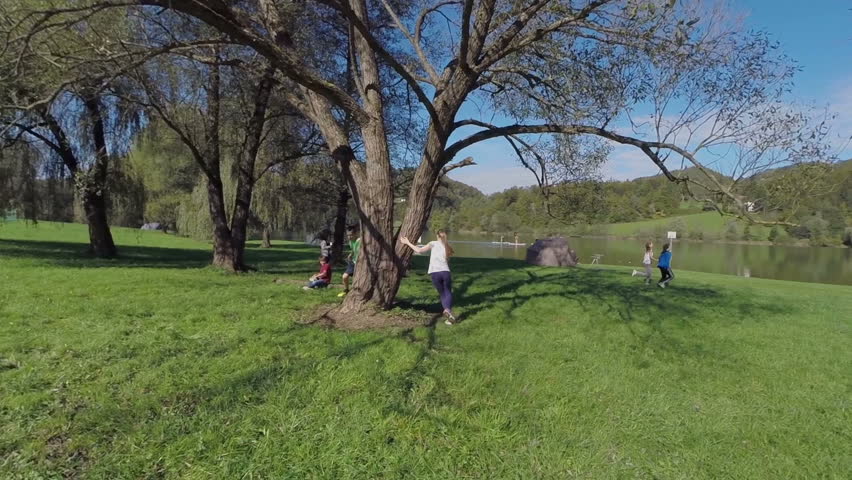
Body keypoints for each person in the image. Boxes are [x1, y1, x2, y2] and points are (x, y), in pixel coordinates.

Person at [400, 230, 457, 325]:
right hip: (446, 272)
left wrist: (407, 242)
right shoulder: (447, 246)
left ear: (437, 236)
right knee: (448, 292)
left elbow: (418, 250)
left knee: (442, 294)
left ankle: (448, 312)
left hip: (435, 272)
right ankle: (447, 311)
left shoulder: (433, 243)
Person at [338, 224, 361, 297]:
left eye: (351, 235)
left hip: (360, 263)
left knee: (357, 278)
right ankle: (346, 290)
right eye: (348, 235)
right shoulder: (351, 242)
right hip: (353, 262)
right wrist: (351, 254)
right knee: (344, 276)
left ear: (356, 234)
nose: (349, 237)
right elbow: (354, 250)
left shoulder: (359, 240)